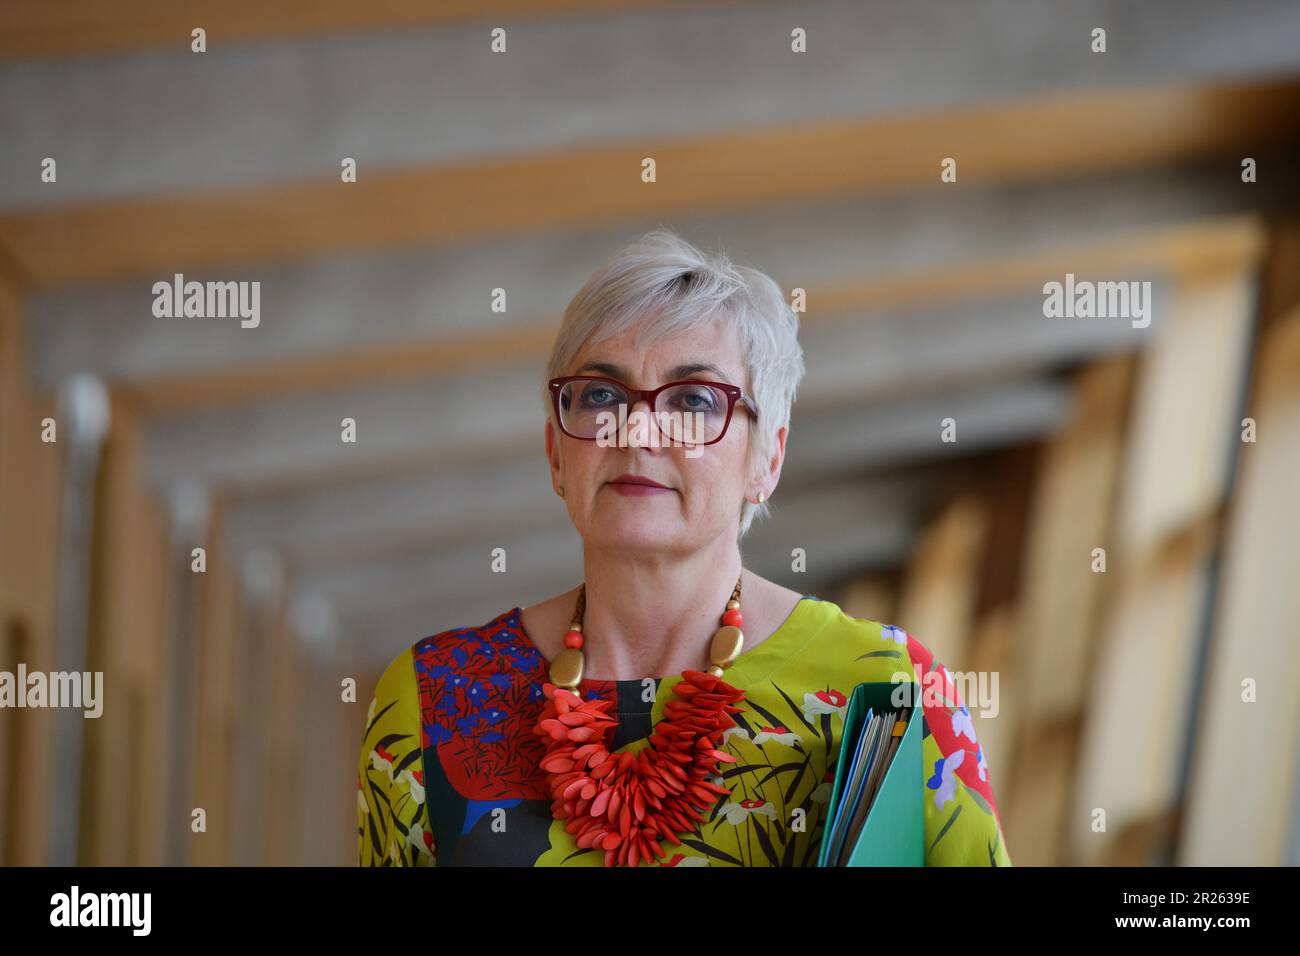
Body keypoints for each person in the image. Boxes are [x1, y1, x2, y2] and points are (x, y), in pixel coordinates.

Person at [357, 228, 1012, 866]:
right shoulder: (434, 697)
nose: (638, 429)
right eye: (600, 395)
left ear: (768, 458)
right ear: (557, 452)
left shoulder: (886, 688)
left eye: (694, 400)